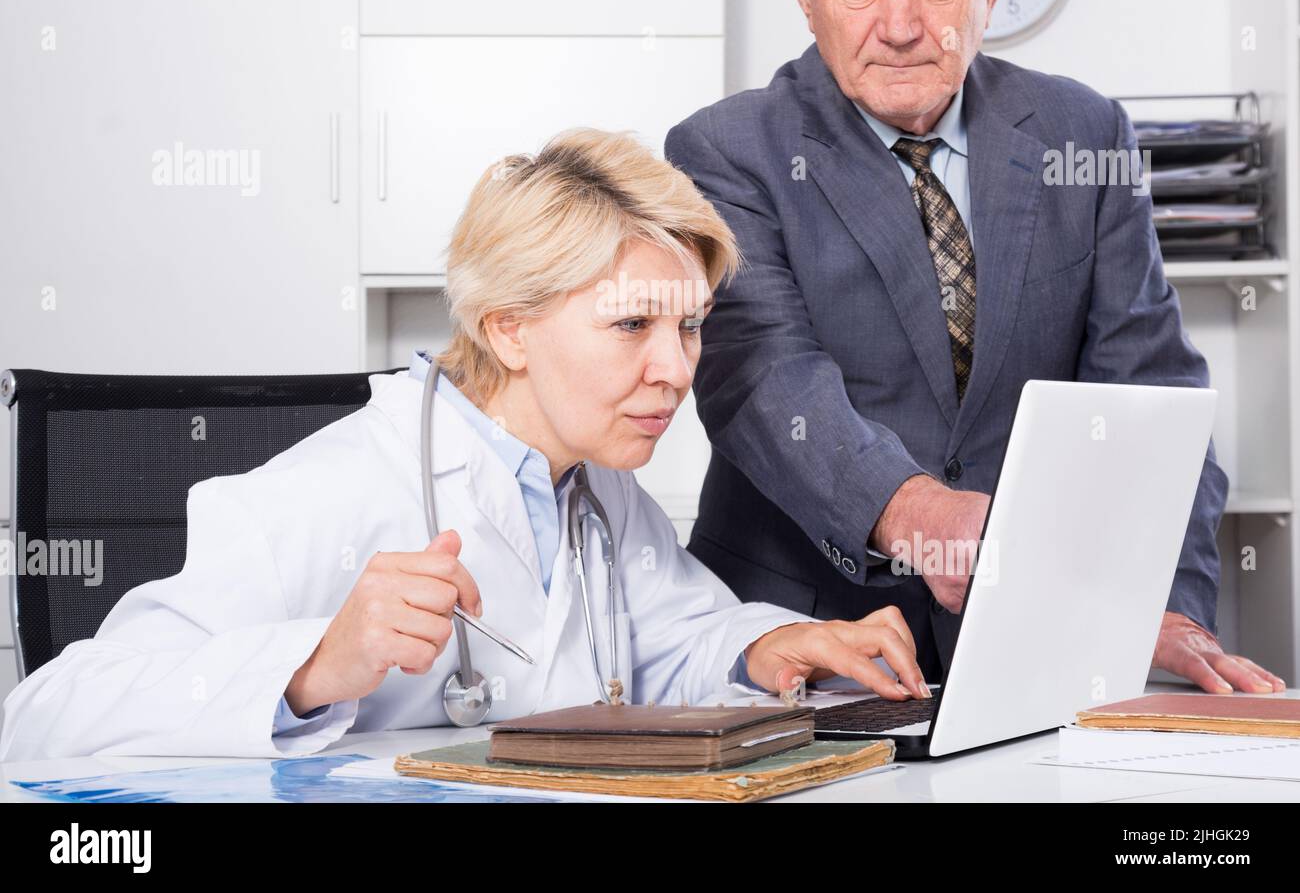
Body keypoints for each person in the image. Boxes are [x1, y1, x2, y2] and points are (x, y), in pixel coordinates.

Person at [0, 129, 928, 761]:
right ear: (510, 330)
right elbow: (42, 714)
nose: (675, 368)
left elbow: (674, 635)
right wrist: (315, 667)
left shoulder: (596, 489)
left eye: (688, 327)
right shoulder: (327, 495)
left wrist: (769, 641)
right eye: (632, 324)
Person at [665, 0, 1284, 694]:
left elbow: (1151, 400)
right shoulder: (726, 151)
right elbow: (764, 382)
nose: (902, 24)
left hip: (1046, 646)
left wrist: (1155, 609)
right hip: (807, 645)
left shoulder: (1085, 134)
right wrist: (914, 509)